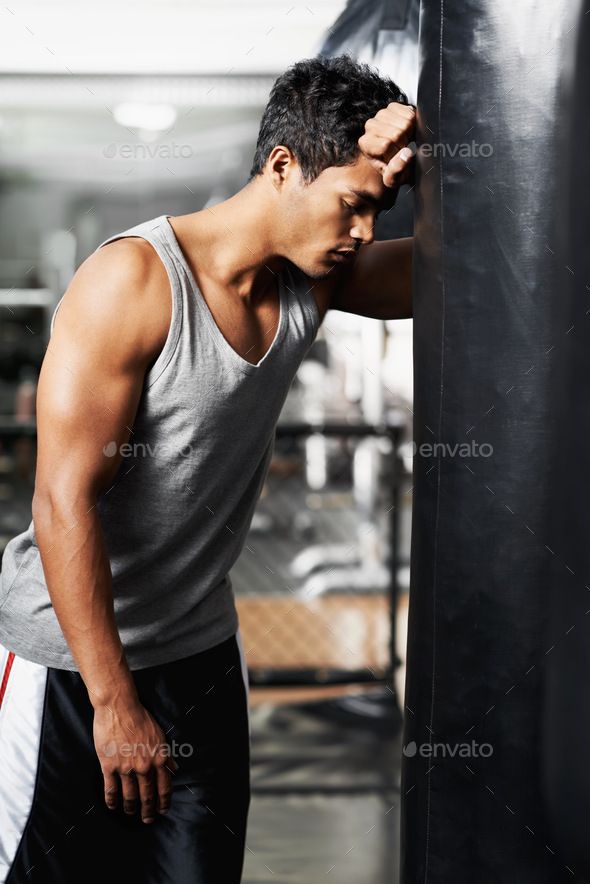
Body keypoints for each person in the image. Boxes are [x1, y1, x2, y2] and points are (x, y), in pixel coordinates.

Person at [0, 54, 415, 883]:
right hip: (71, 663)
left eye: (380, 211)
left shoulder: (310, 284)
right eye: (355, 205)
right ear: (282, 166)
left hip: (198, 661)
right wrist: (114, 703)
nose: (366, 231)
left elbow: (459, 270)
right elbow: (61, 500)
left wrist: (439, 160)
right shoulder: (133, 281)